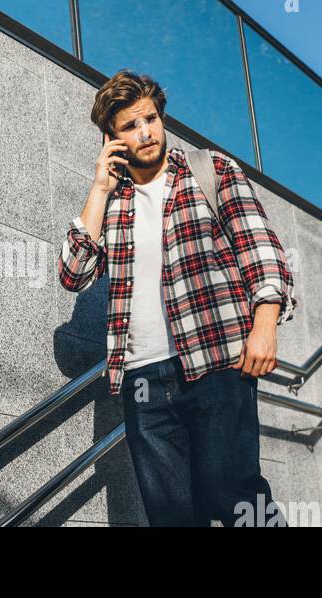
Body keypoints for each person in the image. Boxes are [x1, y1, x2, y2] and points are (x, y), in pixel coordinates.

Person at [57, 70, 298, 527]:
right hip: (143, 377)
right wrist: (99, 188)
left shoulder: (211, 171)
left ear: (162, 117)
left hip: (218, 362)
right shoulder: (114, 203)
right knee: (171, 517)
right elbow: (73, 273)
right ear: (112, 138)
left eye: (149, 118)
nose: (144, 132)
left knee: (236, 500)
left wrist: (264, 326)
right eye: (129, 126)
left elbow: (261, 252)